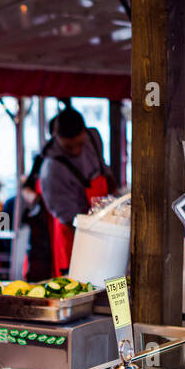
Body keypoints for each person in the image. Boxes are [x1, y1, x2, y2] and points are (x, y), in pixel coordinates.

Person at [37, 107, 119, 274]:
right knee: (81, 283)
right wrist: (95, 244)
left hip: (107, 224)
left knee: (114, 279)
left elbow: (105, 171)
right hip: (76, 233)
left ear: (85, 133)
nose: (75, 151)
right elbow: (68, 219)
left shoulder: (94, 138)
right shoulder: (51, 170)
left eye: (80, 145)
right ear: (56, 138)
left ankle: (116, 300)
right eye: (68, 148)